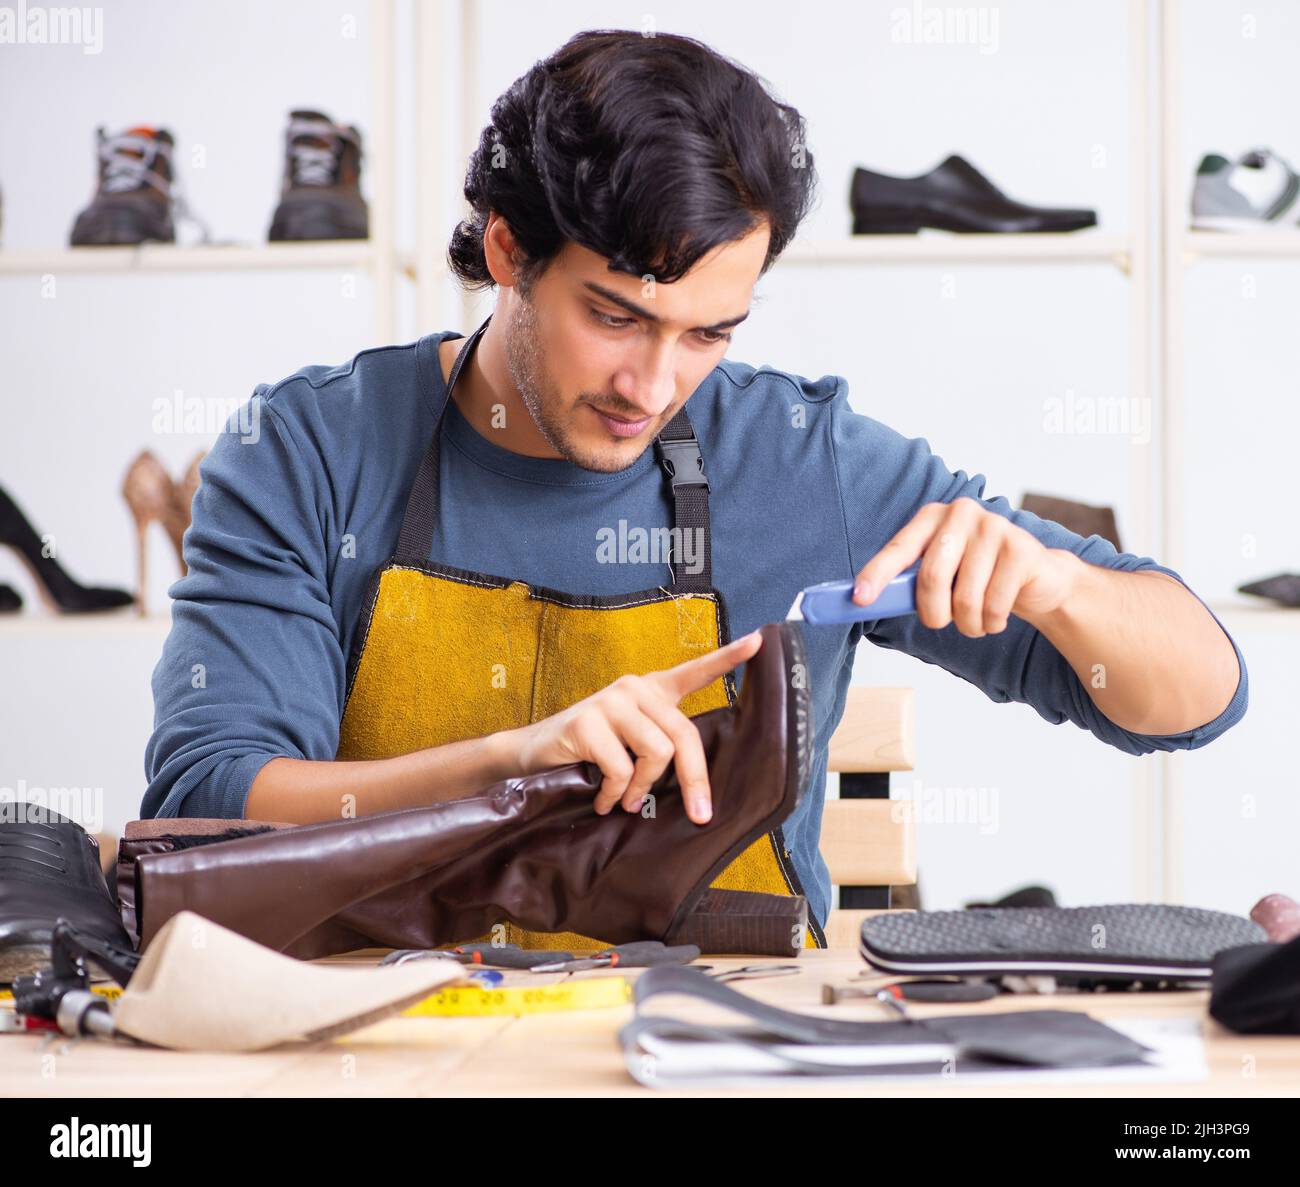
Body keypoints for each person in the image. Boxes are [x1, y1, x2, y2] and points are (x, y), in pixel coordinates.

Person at [143, 29, 1246, 945]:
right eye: (614, 316)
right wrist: (509, 763)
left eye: (707, 333)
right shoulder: (312, 449)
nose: (651, 385)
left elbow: (1200, 699)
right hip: (374, 1047)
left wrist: (1060, 589)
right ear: (508, 249)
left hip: (722, 1047)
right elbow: (207, 807)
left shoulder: (799, 458)